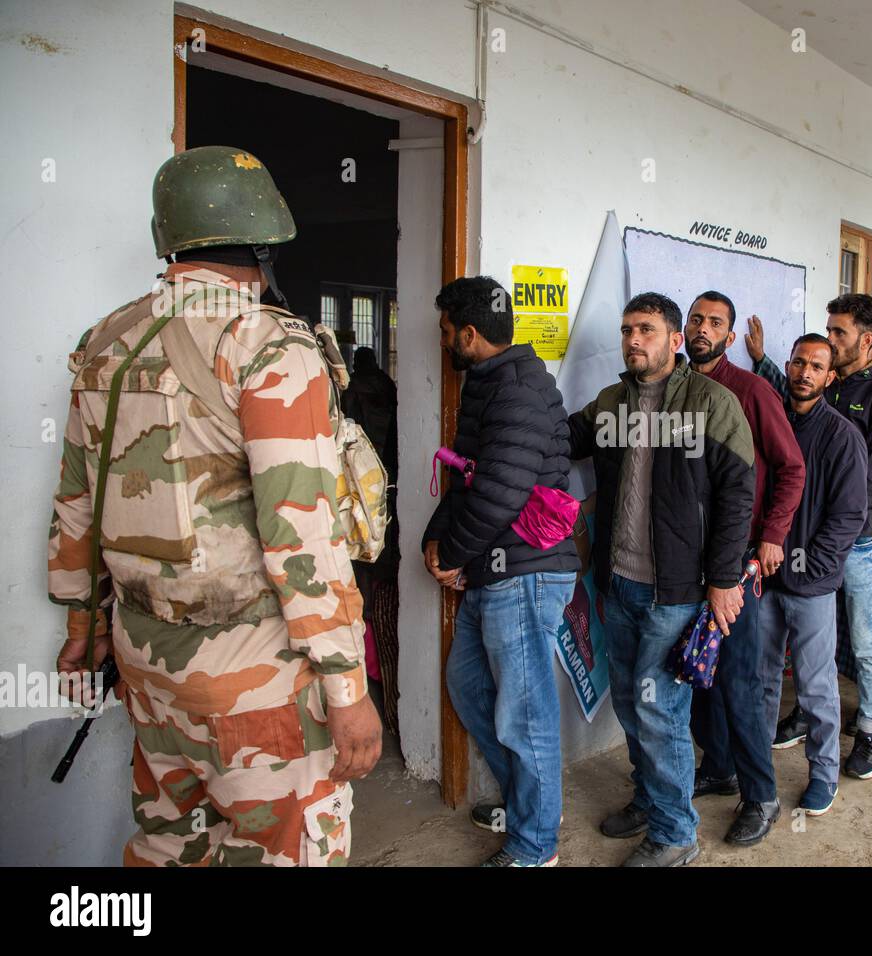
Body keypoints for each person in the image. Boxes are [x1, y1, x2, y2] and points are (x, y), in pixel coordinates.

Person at [50, 146, 380, 866]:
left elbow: (75, 502)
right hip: (251, 675)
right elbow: (304, 538)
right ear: (264, 243)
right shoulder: (267, 345)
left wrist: (84, 629)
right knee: (288, 847)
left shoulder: (105, 340)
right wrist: (347, 687)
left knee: (171, 846)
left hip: (143, 661)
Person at [568, 292, 754, 867]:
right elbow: (563, 438)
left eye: (646, 330)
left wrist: (724, 579)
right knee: (629, 702)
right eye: (627, 330)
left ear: (675, 340)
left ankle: (676, 835)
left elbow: (738, 494)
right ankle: (651, 800)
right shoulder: (611, 402)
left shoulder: (711, 402)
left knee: (660, 711)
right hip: (618, 581)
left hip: (677, 590)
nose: (633, 340)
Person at [423, 275, 580, 868]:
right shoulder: (488, 382)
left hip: (526, 571)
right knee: (468, 683)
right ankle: (530, 805)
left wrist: (454, 554)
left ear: (468, 335)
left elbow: (499, 493)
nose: (441, 342)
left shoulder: (515, 389)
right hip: (498, 567)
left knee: (526, 713)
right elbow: (468, 476)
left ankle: (536, 843)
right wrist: (436, 539)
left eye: (445, 333)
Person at [745, 294, 872, 781]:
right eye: (827, 332)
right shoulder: (834, 384)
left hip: (853, 544)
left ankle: (871, 730)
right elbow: (794, 397)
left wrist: (823, 554)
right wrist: (761, 360)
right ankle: (802, 718)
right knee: (815, 649)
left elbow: (870, 483)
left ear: (867, 340)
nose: (830, 342)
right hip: (805, 545)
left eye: (838, 334)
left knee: (863, 639)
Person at [684, 291, 805, 847]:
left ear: (730, 337)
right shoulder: (676, 389)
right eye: (696, 319)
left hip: (736, 565)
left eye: (715, 323)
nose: (703, 329)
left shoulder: (752, 391)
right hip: (685, 562)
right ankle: (718, 766)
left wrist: (774, 534)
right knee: (697, 675)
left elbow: (791, 467)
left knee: (738, 680)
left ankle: (760, 796)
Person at [757, 335, 867, 816]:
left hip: (811, 584)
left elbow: (849, 516)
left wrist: (813, 567)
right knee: (758, 680)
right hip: (763, 576)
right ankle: (756, 770)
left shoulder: (843, 436)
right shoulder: (770, 421)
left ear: (829, 376)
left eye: (816, 366)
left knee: (815, 686)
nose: (805, 372)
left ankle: (823, 774)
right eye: (799, 362)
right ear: (788, 365)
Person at [342, 346, 401, 736]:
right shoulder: (388, 386)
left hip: (360, 486)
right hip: (386, 482)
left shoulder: (352, 391)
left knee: (364, 578)